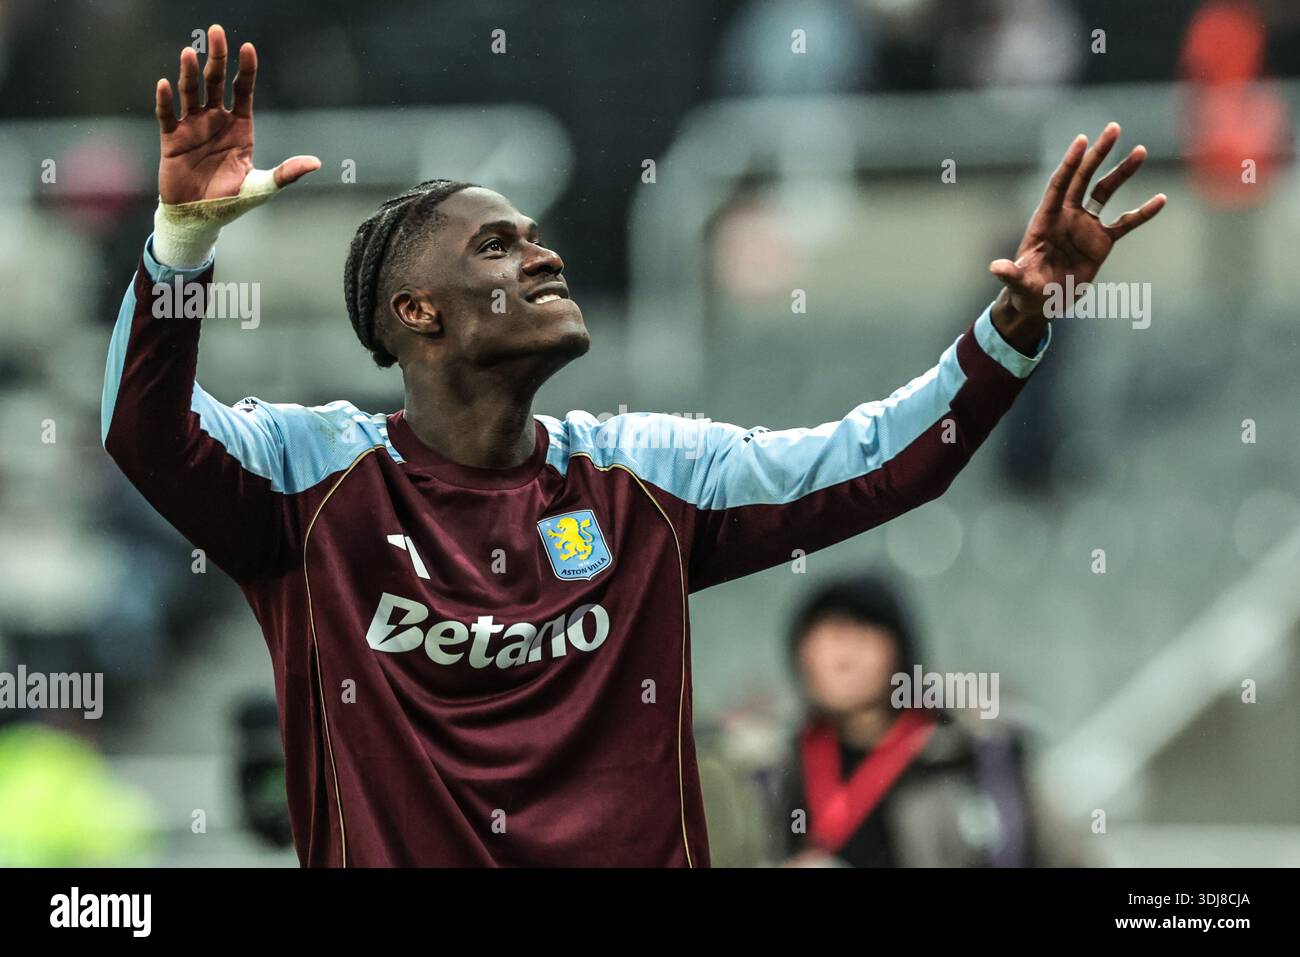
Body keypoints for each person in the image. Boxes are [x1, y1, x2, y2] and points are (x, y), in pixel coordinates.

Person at [101, 25, 1164, 866]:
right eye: (499, 245)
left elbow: (882, 460)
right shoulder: (312, 477)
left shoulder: (645, 477)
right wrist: (179, 250)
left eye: (534, 233)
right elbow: (145, 434)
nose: (544, 251)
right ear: (417, 313)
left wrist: (1016, 329)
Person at [775, 575, 1077, 867]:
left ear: (900, 651)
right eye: (825, 638)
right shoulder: (773, 767)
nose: (843, 658)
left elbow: (1065, 855)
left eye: (862, 636)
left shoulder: (971, 752)